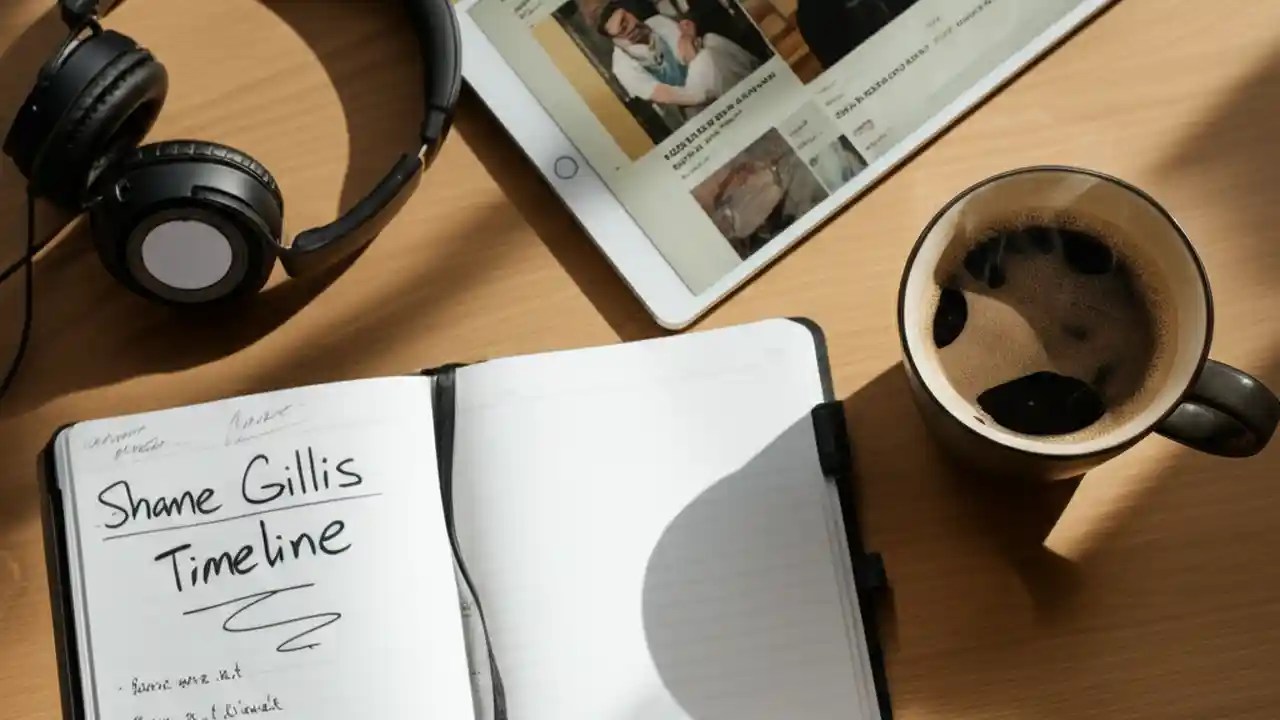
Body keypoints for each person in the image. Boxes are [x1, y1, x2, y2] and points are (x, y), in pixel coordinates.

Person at [597, 0, 760, 111]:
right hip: (685, 98)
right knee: (707, 59)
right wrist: (700, 95)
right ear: (615, 40)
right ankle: (749, 97)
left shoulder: (657, 22)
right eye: (622, 30)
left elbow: (688, 54)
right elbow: (664, 95)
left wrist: (688, 38)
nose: (631, 28)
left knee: (712, 41)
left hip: (696, 72)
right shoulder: (622, 66)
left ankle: (756, 79)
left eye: (626, 19)